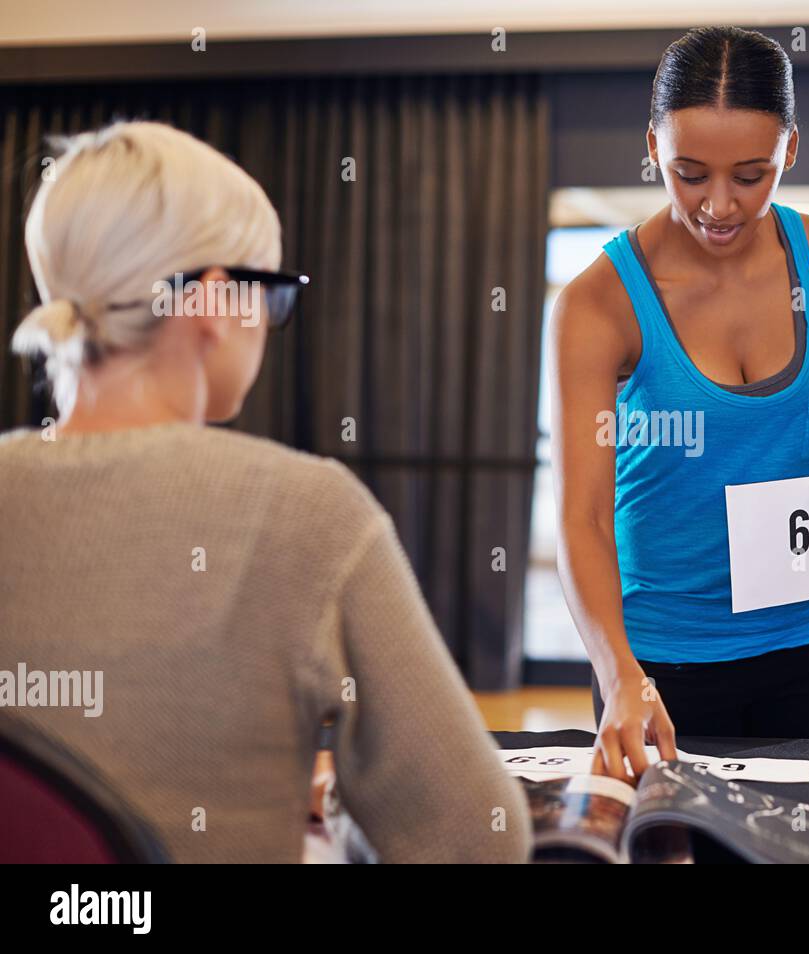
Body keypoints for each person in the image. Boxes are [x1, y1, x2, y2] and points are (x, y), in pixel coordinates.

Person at [0, 121, 529, 863]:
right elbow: (477, 838)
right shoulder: (307, 515)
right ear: (216, 301)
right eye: (271, 297)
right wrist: (343, 808)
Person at [548, 27, 809, 861]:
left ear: (789, 149)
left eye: (752, 174)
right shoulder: (598, 304)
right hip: (667, 662)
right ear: (651, 148)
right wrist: (619, 677)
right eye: (688, 173)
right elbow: (583, 521)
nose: (718, 204)